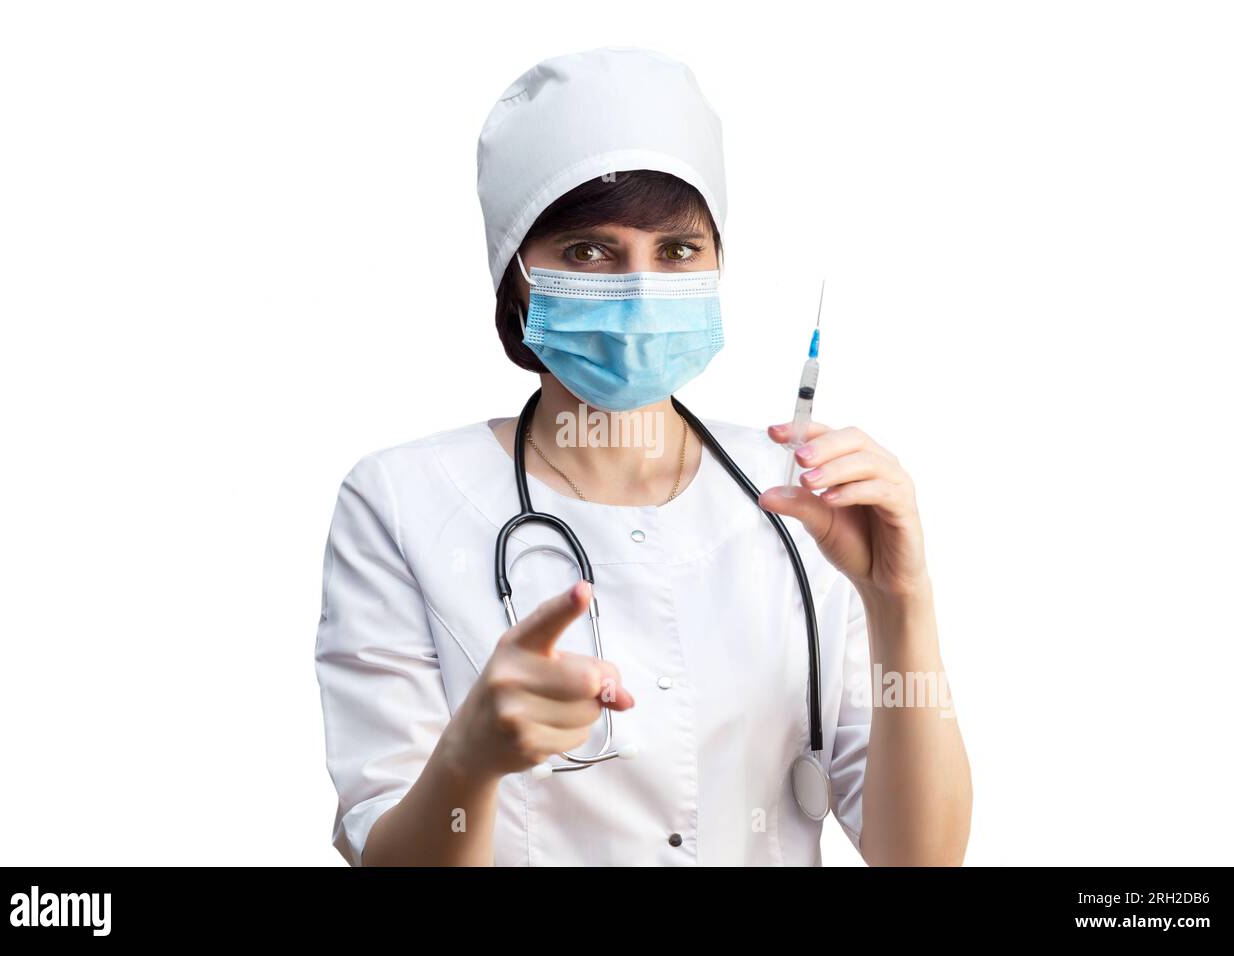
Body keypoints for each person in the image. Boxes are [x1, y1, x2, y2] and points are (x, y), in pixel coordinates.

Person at [313, 46, 971, 866]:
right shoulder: (402, 502)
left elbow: (924, 859)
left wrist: (899, 603)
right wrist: (469, 760)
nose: (638, 290)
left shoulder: (807, 498)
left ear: (719, 262)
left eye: (677, 252)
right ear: (516, 276)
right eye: (588, 252)